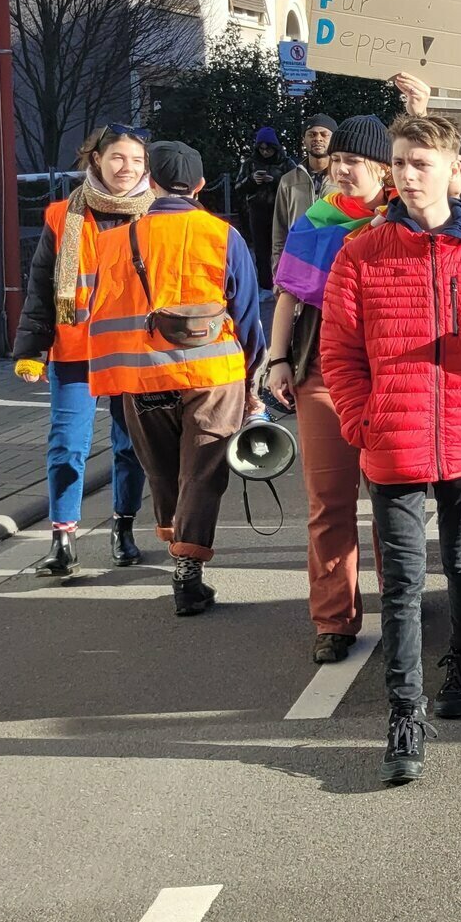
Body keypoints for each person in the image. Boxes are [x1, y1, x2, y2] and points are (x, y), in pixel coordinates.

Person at [319, 114, 461, 785]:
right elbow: (340, 353)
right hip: (394, 441)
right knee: (405, 583)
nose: (410, 175)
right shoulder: (362, 251)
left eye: (423, 163)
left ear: (455, 171)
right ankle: (404, 711)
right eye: (402, 162)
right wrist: (363, 422)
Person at [83, 141, 264, 616]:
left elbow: (97, 313)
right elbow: (246, 313)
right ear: (201, 186)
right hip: (211, 373)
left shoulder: (114, 241)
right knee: (202, 472)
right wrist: (254, 380)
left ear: (152, 182)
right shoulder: (222, 235)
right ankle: (189, 570)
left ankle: (174, 545)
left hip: (142, 378)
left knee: (161, 471)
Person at [264, 122, 394, 663]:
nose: (342, 168)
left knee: (391, 500)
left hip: (388, 376)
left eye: (355, 161)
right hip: (319, 373)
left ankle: (402, 597)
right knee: (328, 504)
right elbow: (289, 297)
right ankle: (334, 618)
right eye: (338, 158)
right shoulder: (315, 219)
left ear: (383, 169)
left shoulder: (403, 221)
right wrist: (276, 360)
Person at [12, 126, 153, 575]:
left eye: (135, 159)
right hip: (74, 350)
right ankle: (62, 540)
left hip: (133, 352)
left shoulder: (156, 216)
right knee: (66, 446)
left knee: (129, 446)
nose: (126, 168)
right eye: (117, 158)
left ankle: (123, 528)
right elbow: (39, 288)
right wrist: (31, 350)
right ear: (96, 160)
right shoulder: (61, 216)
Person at [272, 114, 339, 271]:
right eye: (312, 134)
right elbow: (279, 233)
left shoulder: (344, 180)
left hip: (334, 266)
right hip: (297, 265)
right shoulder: (288, 181)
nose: (318, 138)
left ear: (334, 139)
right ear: (304, 140)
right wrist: (277, 275)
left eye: (324, 134)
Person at [241, 127, 291, 288]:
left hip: (281, 210)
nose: (265, 152)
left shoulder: (286, 163)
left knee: (281, 246)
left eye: (268, 148)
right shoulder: (250, 164)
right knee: (261, 249)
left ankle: (282, 281)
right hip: (257, 211)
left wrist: (276, 180)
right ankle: (265, 284)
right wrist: (251, 180)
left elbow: (295, 186)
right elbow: (238, 187)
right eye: (261, 149)